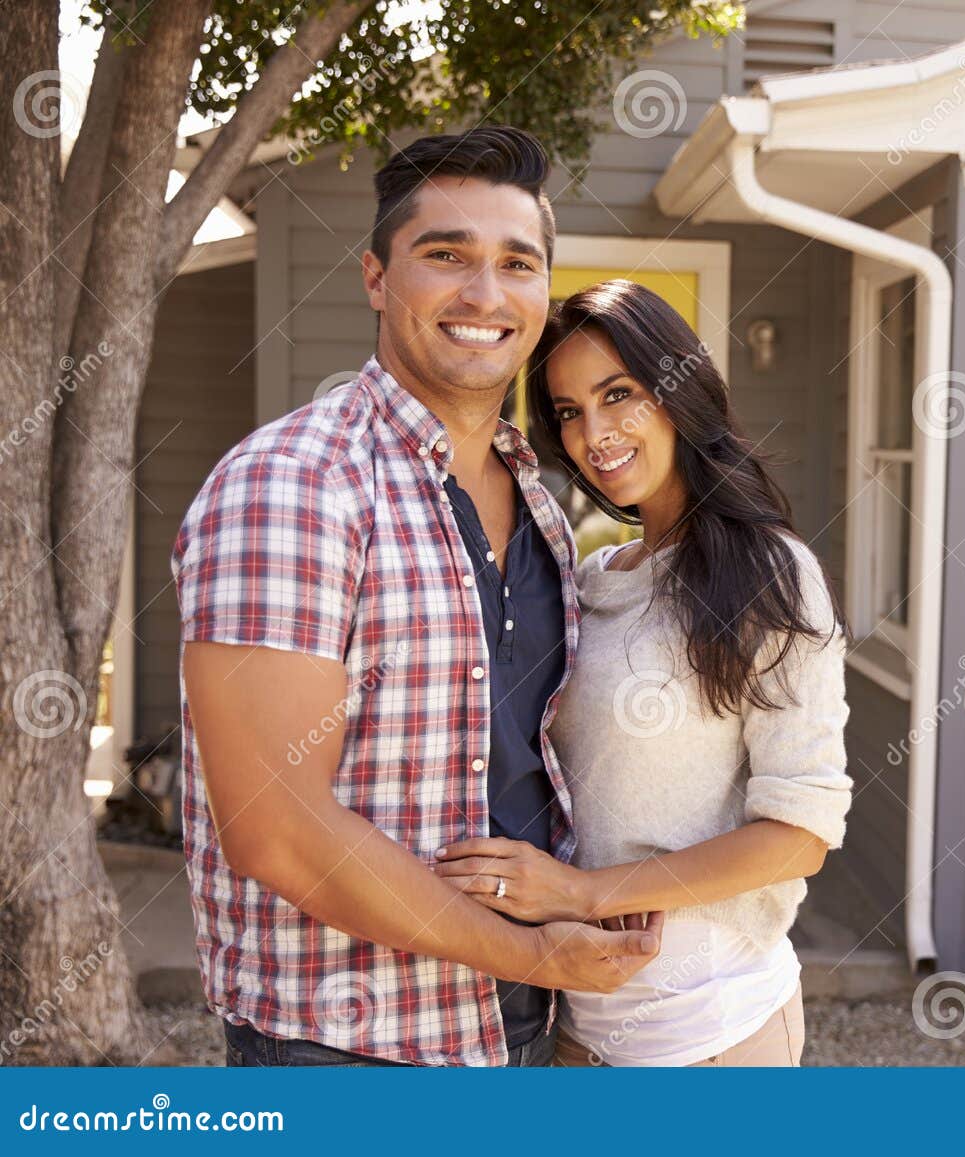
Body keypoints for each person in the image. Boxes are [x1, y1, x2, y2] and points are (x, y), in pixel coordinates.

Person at [172, 125, 659, 1068]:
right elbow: (275, 829)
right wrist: (531, 951)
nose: (485, 294)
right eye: (447, 256)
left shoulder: (542, 503)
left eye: (517, 264)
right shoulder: (295, 484)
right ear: (375, 278)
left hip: (522, 1027)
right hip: (351, 1046)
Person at [430, 280, 853, 1066]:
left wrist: (586, 891)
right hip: (578, 1028)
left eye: (618, 394)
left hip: (715, 1034)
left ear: (677, 389)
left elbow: (801, 832)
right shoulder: (588, 578)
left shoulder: (771, 572)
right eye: (567, 410)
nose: (594, 432)